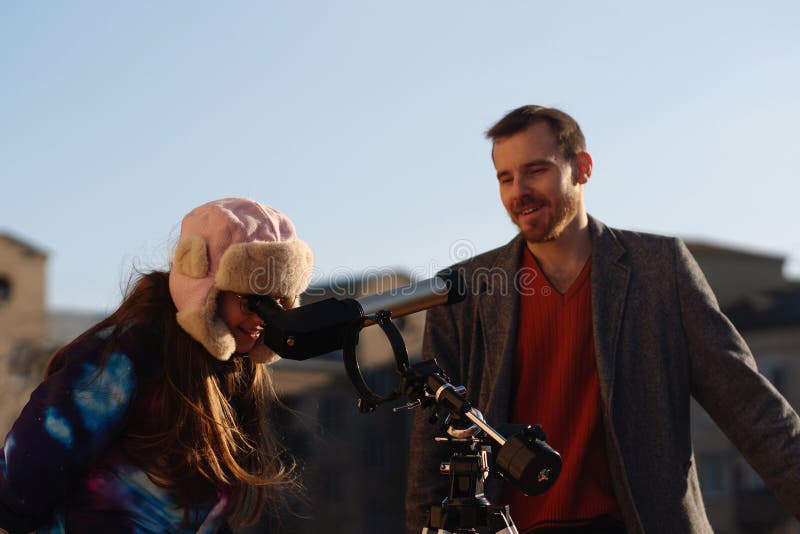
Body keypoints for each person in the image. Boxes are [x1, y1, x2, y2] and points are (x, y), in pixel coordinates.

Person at [405, 106, 800, 533]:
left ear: (583, 168)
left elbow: (754, 411)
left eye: (535, 171)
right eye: (505, 178)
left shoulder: (660, 271)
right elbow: (432, 452)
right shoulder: (465, 292)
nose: (518, 191)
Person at [0, 197, 314, 533]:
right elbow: (31, 467)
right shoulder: (126, 354)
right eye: (253, 299)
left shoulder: (231, 370)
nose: (261, 318)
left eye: (280, 301)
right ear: (205, 286)